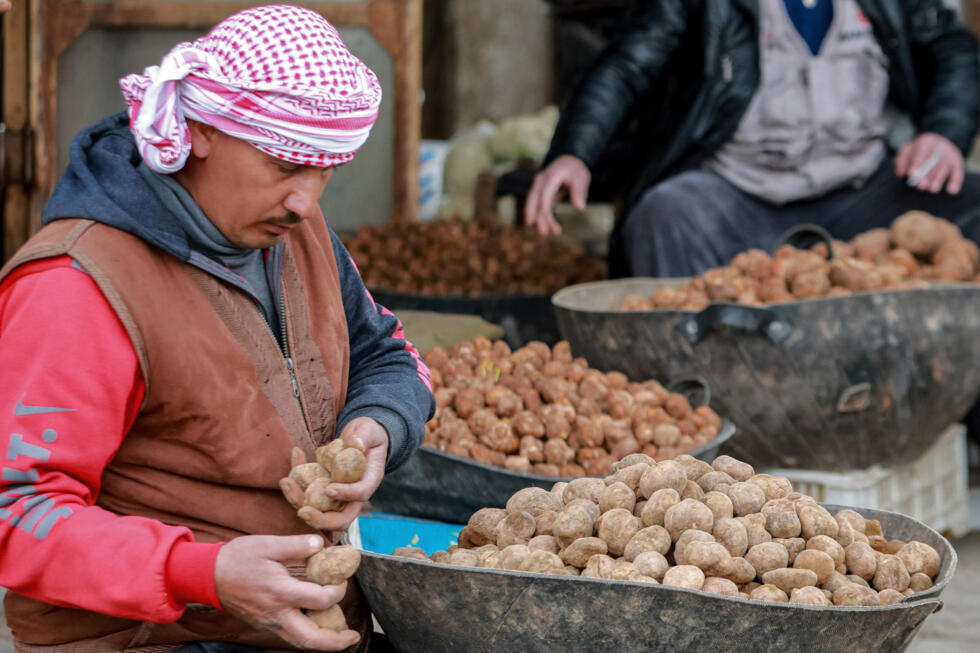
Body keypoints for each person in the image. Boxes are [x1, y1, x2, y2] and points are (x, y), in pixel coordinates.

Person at [0, 5, 434, 652]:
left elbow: (387, 352)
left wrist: (377, 429)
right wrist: (201, 572)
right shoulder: (77, 283)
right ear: (199, 132)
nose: (306, 201)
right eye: (285, 167)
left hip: (305, 626)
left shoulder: (298, 234)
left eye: (324, 170)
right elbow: (19, 516)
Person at [525, 0, 980, 278]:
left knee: (972, 203)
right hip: (741, 194)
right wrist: (574, 152)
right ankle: (700, 409)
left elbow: (950, 46)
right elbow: (629, 64)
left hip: (862, 189)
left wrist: (943, 134)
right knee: (662, 218)